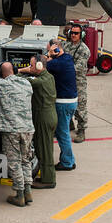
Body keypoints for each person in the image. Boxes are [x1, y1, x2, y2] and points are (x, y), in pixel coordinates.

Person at [0, 61, 35, 207]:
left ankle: (19, 194)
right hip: (28, 128)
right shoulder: (26, 84)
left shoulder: (1, 84)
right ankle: (28, 190)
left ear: (2, 73)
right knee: (26, 159)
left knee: (14, 161)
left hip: (11, 129)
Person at [20, 54, 58, 189]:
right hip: (50, 115)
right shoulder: (49, 77)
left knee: (44, 149)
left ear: (39, 66)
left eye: (31, 65)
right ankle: (47, 176)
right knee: (45, 147)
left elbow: (22, 82)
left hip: (43, 117)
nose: (30, 67)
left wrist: (19, 71)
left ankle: (48, 180)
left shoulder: (39, 82)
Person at [44, 40, 78, 171]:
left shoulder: (56, 63)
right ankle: (69, 159)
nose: (48, 52)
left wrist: (49, 55)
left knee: (62, 133)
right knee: (64, 132)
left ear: (57, 50)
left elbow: (41, 66)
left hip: (63, 104)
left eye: (50, 50)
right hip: (71, 102)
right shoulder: (68, 58)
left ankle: (67, 162)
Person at [63, 24, 90, 143]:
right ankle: (69, 124)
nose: (73, 35)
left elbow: (77, 67)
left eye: (76, 33)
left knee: (80, 106)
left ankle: (82, 129)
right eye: (72, 33)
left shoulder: (84, 50)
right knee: (64, 103)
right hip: (66, 80)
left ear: (81, 35)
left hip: (78, 82)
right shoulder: (66, 45)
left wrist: (61, 68)